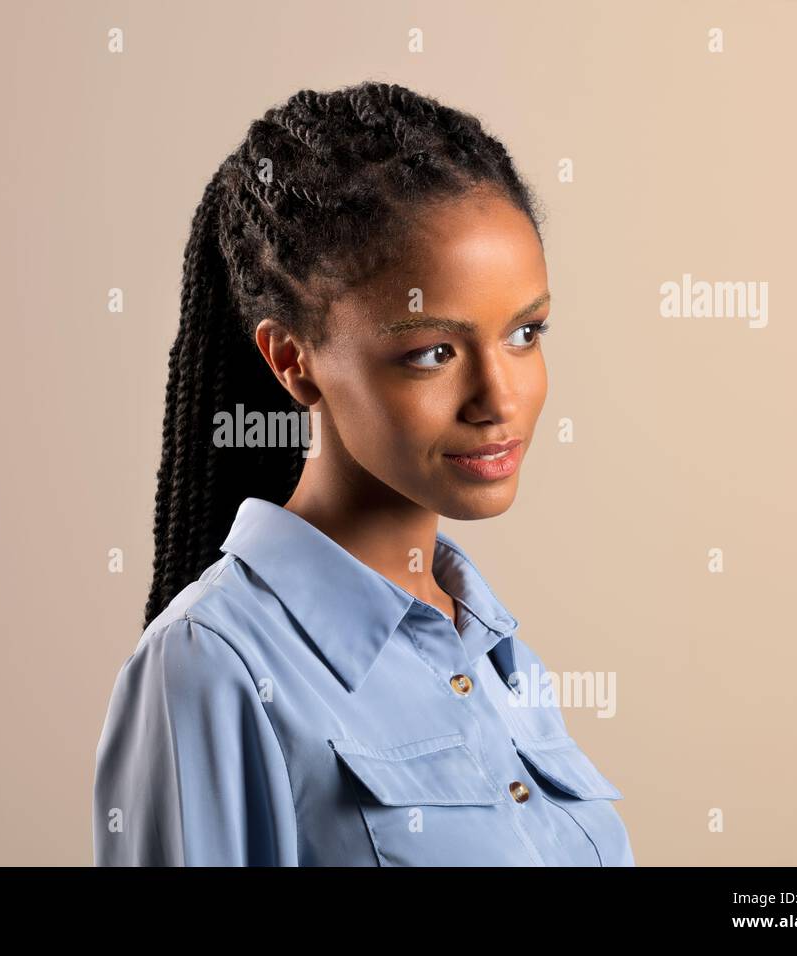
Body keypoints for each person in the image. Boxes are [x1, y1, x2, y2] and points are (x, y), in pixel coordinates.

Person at [92, 80, 636, 866]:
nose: (499, 398)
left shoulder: (487, 642)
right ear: (293, 361)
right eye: (432, 353)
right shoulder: (210, 666)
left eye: (525, 332)